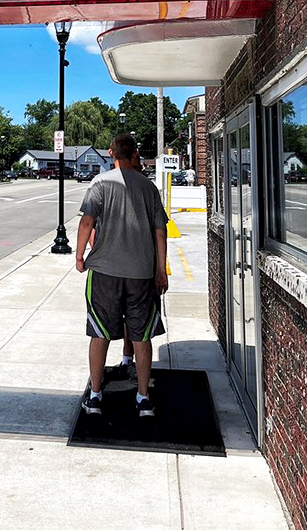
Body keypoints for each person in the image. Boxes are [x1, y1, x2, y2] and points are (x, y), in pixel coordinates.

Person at [76, 133, 168, 417]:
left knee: (99, 333)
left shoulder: (99, 183)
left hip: (105, 272)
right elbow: (160, 231)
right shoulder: (149, 188)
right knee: (142, 336)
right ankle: (142, 398)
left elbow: (87, 221)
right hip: (141, 271)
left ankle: (95, 395)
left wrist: (79, 256)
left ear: (111, 153)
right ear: (135, 154)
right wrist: (160, 269)